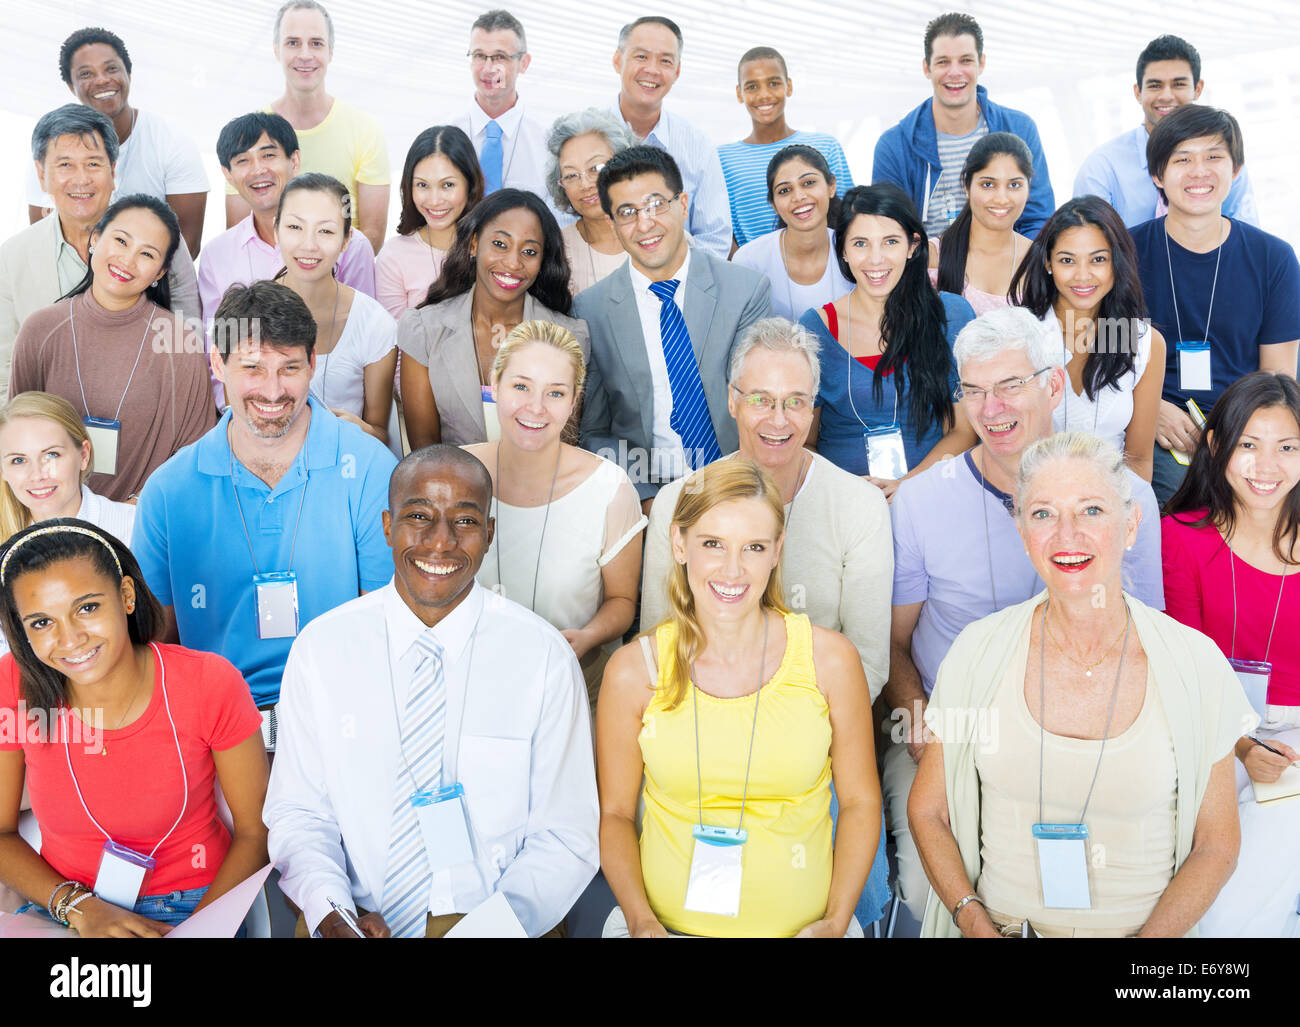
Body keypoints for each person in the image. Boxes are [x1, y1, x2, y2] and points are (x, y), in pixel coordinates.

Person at [909, 431, 1252, 937]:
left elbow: (1216, 845)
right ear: (1023, 531)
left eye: (1092, 510)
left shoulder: (1195, 663)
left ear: (1132, 524)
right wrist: (973, 921)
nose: (1067, 536)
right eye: (1043, 514)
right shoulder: (977, 652)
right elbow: (928, 809)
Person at [883, 306, 1165, 922]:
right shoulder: (922, 502)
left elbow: (1151, 642)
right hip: (953, 737)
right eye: (975, 391)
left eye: (1011, 385)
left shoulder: (1125, 497)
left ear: (1054, 384)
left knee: (1108, 897)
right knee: (927, 892)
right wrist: (919, 723)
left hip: (1088, 736)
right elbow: (894, 646)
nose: (991, 409)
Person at [266, 446, 598, 938]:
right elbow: (299, 812)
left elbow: (565, 836)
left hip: (497, 921)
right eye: (419, 516)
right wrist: (329, 909)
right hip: (359, 917)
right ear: (387, 526)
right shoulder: (322, 648)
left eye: (463, 521)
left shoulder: (543, 658)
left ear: (488, 533)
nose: (439, 543)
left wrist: (485, 931)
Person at [638, 318, 895, 926]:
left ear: (813, 409)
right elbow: (657, 643)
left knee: (852, 890)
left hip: (814, 743)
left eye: (795, 402)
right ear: (732, 401)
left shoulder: (857, 506)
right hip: (695, 735)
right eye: (760, 400)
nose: (777, 420)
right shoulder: (680, 502)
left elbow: (871, 663)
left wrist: (788, 743)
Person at [597, 458, 880, 937]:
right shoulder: (632, 673)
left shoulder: (831, 661)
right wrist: (640, 922)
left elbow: (859, 803)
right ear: (679, 544)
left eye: (753, 547)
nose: (733, 570)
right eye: (713, 544)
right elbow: (616, 816)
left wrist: (834, 923)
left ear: (777, 552)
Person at [133, 281, 397, 749]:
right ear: (217, 364)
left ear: (313, 365)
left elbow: (384, 624)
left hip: (343, 716)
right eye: (252, 368)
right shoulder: (169, 490)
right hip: (213, 727)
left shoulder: (371, 468)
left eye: (289, 368)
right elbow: (157, 642)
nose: (273, 391)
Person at [0, 521, 269, 935]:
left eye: (87, 607)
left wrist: (198, 932)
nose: (69, 639)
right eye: (41, 622)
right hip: (69, 907)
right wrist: (80, 908)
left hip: (197, 906)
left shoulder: (209, 684)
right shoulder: (13, 684)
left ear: (126, 596)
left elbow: (256, 831)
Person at [1162, 372, 1300, 937]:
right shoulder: (1182, 534)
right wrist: (1240, 743)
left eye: (1287, 448)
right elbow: (1183, 665)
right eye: (1249, 445)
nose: (1267, 466)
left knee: (1261, 857)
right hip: (1207, 726)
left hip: (1293, 733)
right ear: (1216, 446)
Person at [575, 146, 771, 511]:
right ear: (613, 224)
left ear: (682, 204)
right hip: (647, 494)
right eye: (627, 213)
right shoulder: (592, 309)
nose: (644, 223)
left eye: (656, 204)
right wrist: (647, 500)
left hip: (737, 484)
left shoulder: (745, 291)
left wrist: (743, 490)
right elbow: (596, 430)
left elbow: (760, 404)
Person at [466, 321, 643, 711]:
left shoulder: (610, 489)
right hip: (469, 692)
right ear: (495, 385)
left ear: (575, 400)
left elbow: (622, 599)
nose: (535, 407)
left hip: (571, 697)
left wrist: (587, 636)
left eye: (555, 393)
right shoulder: (454, 474)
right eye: (521, 386)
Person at [1130, 104, 1300, 507]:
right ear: (1158, 174)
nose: (1199, 172)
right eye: (1182, 159)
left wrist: (1233, 433)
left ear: (1235, 169)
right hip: (1151, 424)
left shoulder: (1273, 258)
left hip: (1243, 429)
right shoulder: (1124, 254)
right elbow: (1106, 351)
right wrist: (1150, 409)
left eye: (1213, 157)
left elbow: (1276, 378)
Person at [9, 194, 216, 503]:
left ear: (160, 272)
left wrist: (135, 508)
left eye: (147, 254)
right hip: (48, 521)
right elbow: (16, 438)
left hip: (140, 523)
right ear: (96, 238)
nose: (127, 261)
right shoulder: (40, 330)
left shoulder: (179, 342)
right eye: (121, 241)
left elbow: (196, 452)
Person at [0, 105, 200, 397]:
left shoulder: (160, 238)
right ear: (42, 175)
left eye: (93, 164)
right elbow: (5, 370)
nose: (81, 179)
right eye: (65, 165)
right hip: (52, 424)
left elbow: (187, 339)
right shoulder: (12, 256)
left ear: (113, 170)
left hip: (146, 411)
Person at [797, 184, 977, 497]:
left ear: (913, 245)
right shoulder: (814, 329)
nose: (875, 259)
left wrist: (907, 487)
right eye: (861, 243)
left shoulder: (952, 314)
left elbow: (964, 429)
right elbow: (804, 441)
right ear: (843, 249)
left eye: (890, 241)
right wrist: (849, 490)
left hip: (932, 495)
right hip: (842, 503)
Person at [398, 189, 587, 450]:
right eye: (500, 244)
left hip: (541, 487)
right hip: (453, 485)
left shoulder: (571, 336)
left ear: (543, 260)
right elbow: (426, 451)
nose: (512, 262)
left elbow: (565, 446)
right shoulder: (424, 329)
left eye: (529, 252)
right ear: (474, 244)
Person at [1012, 196, 1166, 482]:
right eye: (1067, 260)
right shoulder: (1018, 335)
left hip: (1112, 504)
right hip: (1032, 499)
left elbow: (1140, 460)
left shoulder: (1144, 343)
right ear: (1048, 262)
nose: (1082, 276)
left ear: (1116, 263)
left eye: (1098, 259)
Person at [26, 27, 208, 257]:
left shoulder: (173, 143)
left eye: (111, 69)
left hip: (154, 283)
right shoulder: (50, 151)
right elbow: (45, 241)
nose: (102, 80)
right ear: (71, 87)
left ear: (128, 75)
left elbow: (187, 247)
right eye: (86, 74)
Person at [226, 1, 390, 253]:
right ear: (276, 50)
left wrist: (316, 272)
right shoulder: (245, 137)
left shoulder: (365, 131)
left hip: (341, 282)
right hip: (268, 286)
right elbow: (239, 234)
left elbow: (372, 237)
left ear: (330, 52)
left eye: (316, 43)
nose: (305, 54)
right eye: (293, 42)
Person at [872, 12, 1054, 239]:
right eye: (943, 62)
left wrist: (1018, 268)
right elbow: (890, 232)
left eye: (966, 60)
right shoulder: (894, 146)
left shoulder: (1020, 129)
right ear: (926, 68)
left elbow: (1038, 219)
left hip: (1011, 269)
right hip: (927, 270)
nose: (955, 72)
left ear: (982, 63)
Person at [201, 112, 376, 331]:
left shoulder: (351, 245)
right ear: (228, 174)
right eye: (243, 160)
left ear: (294, 161)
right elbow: (215, 346)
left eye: (268, 156)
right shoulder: (216, 254)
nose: (258, 170)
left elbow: (366, 329)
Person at [1074, 35, 1258, 229]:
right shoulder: (1102, 167)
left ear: (1197, 88)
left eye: (1179, 84)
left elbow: (1247, 238)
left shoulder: (1221, 161)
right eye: (1155, 85)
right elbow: (1088, 247)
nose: (1167, 96)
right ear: (1138, 92)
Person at [273, 174, 397, 446]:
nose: (308, 244)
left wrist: (357, 429)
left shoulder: (375, 325)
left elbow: (380, 435)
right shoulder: (244, 316)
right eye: (295, 227)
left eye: (326, 231)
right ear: (276, 229)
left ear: (346, 240)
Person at [608, 16, 732, 258]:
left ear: (677, 71)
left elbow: (714, 237)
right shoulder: (581, 138)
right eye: (641, 56)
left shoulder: (698, 146)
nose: (652, 70)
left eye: (665, 61)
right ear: (617, 60)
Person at [717, 47, 855, 249]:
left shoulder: (827, 146)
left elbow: (849, 217)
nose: (764, 95)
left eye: (773, 83)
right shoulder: (722, 159)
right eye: (752, 86)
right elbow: (721, 231)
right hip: (754, 274)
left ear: (788, 86)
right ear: (739, 93)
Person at [732, 145, 854, 321]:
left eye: (809, 183)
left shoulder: (855, 250)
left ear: (831, 186)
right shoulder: (749, 260)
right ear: (773, 205)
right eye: (784, 190)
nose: (798, 196)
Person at [376, 126, 483, 319]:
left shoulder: (493, 246)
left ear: (470, 184)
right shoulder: (393, 256)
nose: (434, 200)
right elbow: (395, 339)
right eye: (422, 185)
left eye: (447, 185)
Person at [0, 393, 135, 546]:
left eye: (52, 454)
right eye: (18, 460)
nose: (37, 475)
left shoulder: (135, 529)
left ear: (84, 455)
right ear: (2, 470)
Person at [452, 10, 553, 210]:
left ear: (523, 63)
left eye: (499, 57)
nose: (488, 69)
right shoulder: (447, 133)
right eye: (479, 55)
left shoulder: (548, 141)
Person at [929, 132, 1033, 315]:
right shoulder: (933, 256)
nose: (1001, 199)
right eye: (988, 185)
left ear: (1028, 187)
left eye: (1014, 185)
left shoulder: (1038, 260)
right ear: (966, 186)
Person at [546, 108, 638, 295]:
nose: (585, 184)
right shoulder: (556, 252)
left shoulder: (661, 233)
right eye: (571, 175)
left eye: (596, 167)